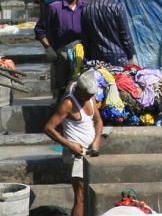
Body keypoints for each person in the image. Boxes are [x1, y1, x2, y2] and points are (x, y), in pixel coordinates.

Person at [44, 70, 103, 216]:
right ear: (79, 90)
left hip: (90, 153)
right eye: (87, 95)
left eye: (91, 95)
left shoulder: (90, 98)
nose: (89, 97)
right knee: (80, 195)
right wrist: (70, 145)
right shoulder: (68, 103)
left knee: (89, 194)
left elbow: (98, 121)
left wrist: (97, 140)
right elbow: (48, 128)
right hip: (76, 155)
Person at [35, 0, 87, 96]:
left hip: (82, 53)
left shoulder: (86, 7)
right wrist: (48, 48)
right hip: (62, 53)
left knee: (82, 86)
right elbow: (39, 30)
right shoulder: (55, 8)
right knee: (62, 88)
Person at [81, 0, 135, 66]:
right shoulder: (117, 7)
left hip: (97, 59)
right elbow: (125, 35)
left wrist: (88, 57)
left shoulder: (86, 10)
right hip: (119, 58)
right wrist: (130, 55)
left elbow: (85, 38)